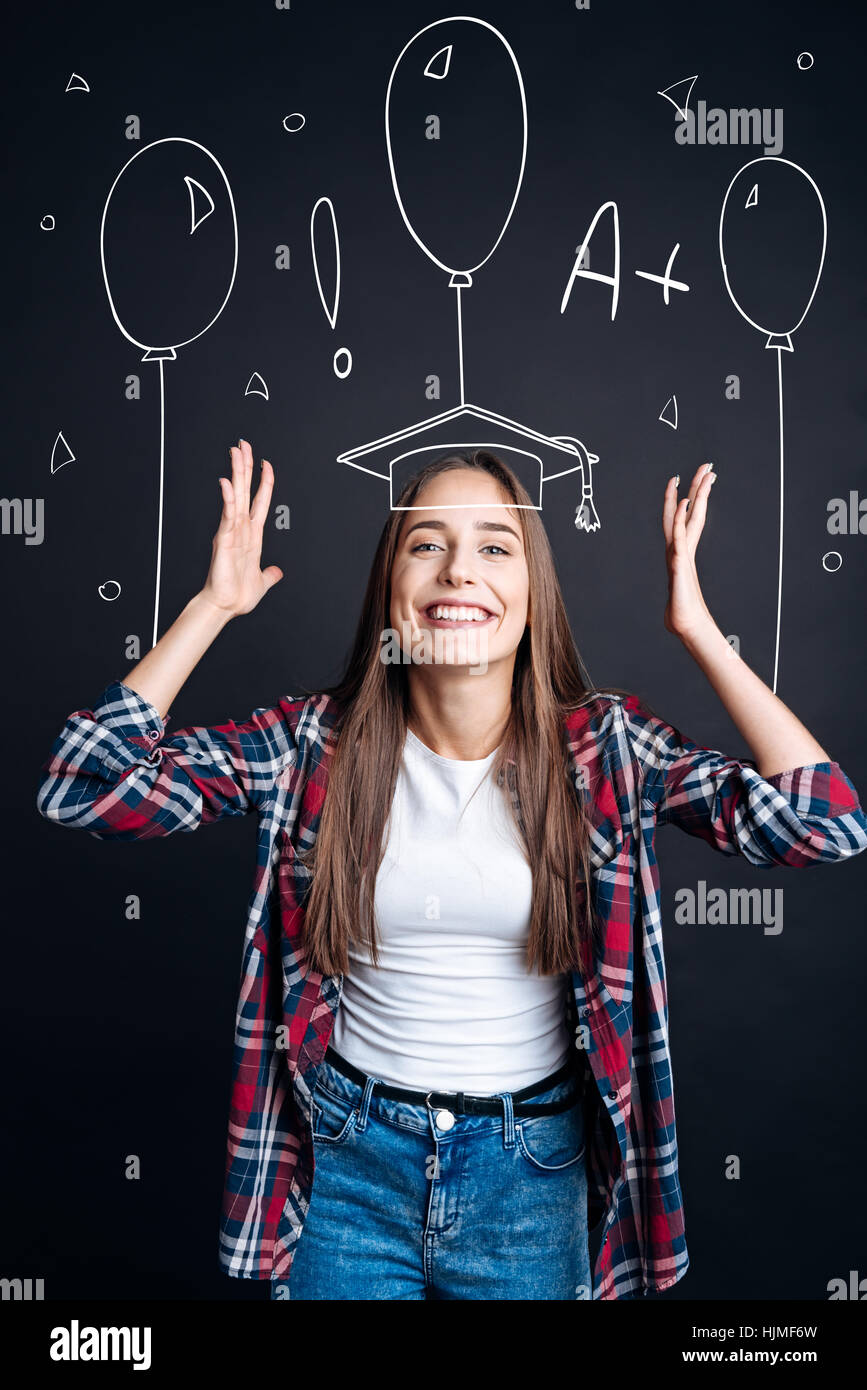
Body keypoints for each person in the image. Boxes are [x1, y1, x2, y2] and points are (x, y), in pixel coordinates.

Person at [36, 440, 867, 1300]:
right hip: (346, 1168)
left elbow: (825, 821)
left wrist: (699, 631)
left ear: (532, 594)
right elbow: (84, 787)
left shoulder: (605, 751)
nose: (457, 571)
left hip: (531, 1176)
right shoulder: (308, 746)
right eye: (426, 544)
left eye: (494, 548)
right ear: (390, 586)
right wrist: (213, 605)